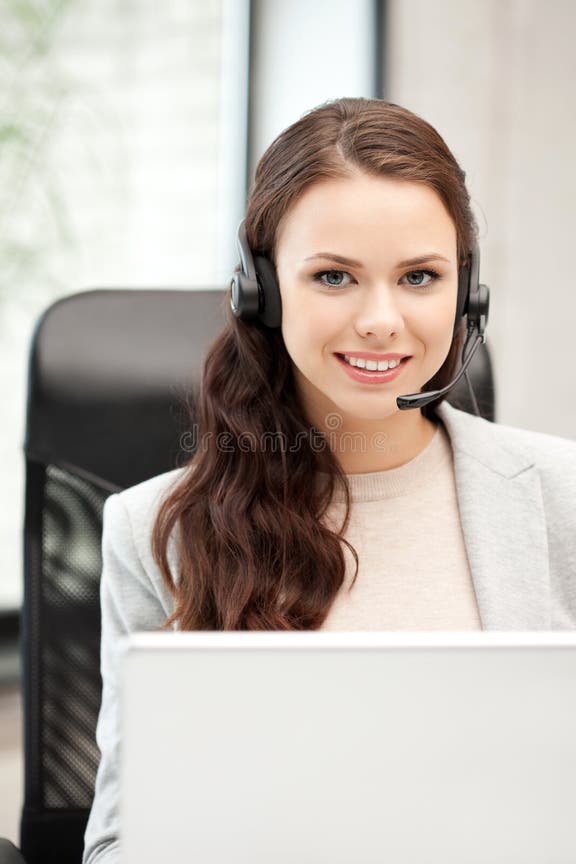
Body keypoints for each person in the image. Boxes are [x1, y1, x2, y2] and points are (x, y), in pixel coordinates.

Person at [82, 97, 576, 864]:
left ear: (466, 292)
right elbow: (119, 841)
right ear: (262, 291)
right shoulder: (159, 532)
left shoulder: (561, 496)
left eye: (419, 276)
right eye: (334, 276)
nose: (382, 319)